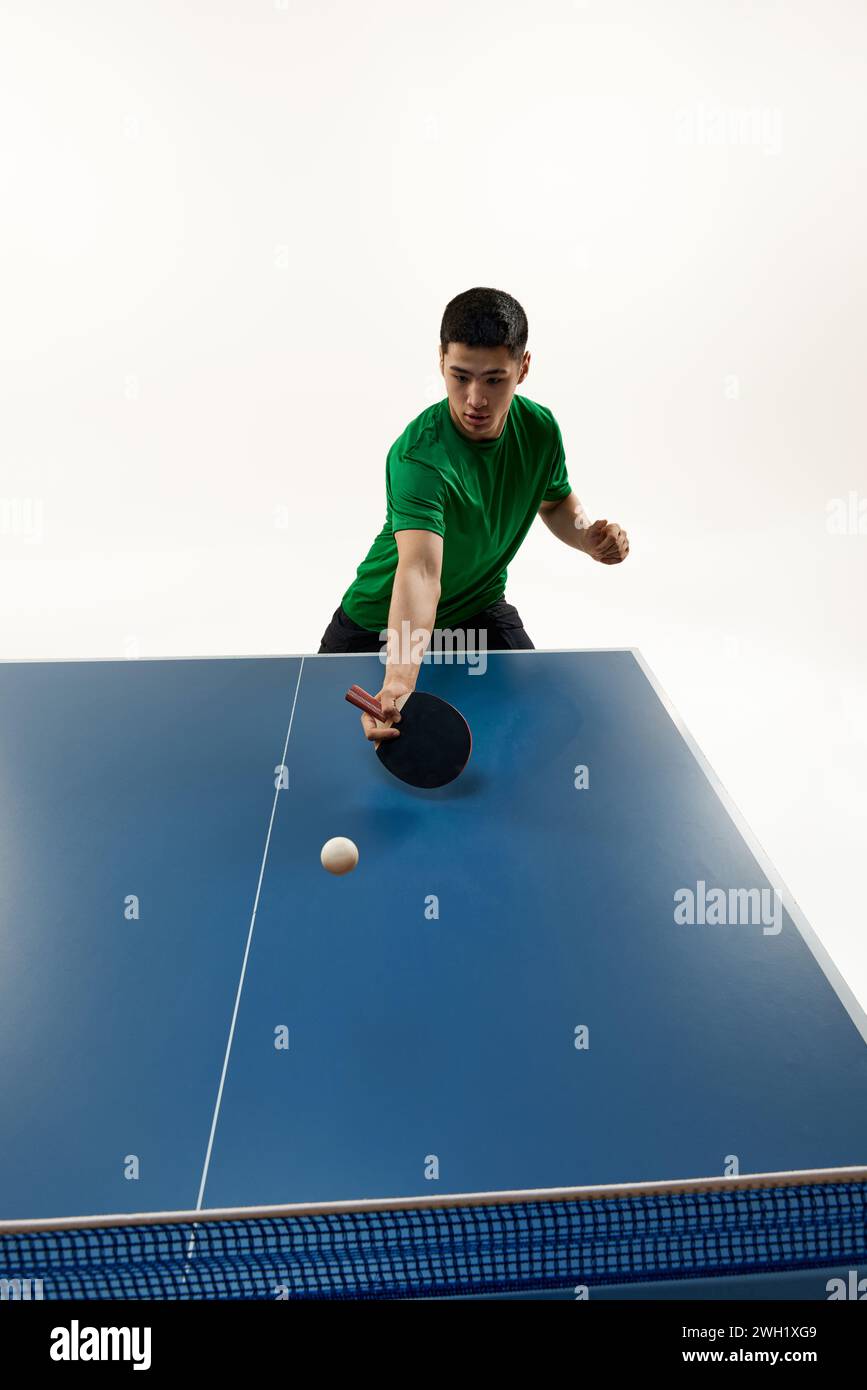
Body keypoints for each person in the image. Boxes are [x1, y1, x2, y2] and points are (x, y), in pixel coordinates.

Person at [318, 286, 629, 747]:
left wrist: (587, 537)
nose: (475, 399)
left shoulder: (540, 430)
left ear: (523, 368)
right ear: (441, 361)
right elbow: (420, 571)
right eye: (460, 376)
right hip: (377, 627)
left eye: (494, 380)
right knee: (336, 763)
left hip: (476, 609)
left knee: (534, 732)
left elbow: (556, 500)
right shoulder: (420, 457)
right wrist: (401, 679)